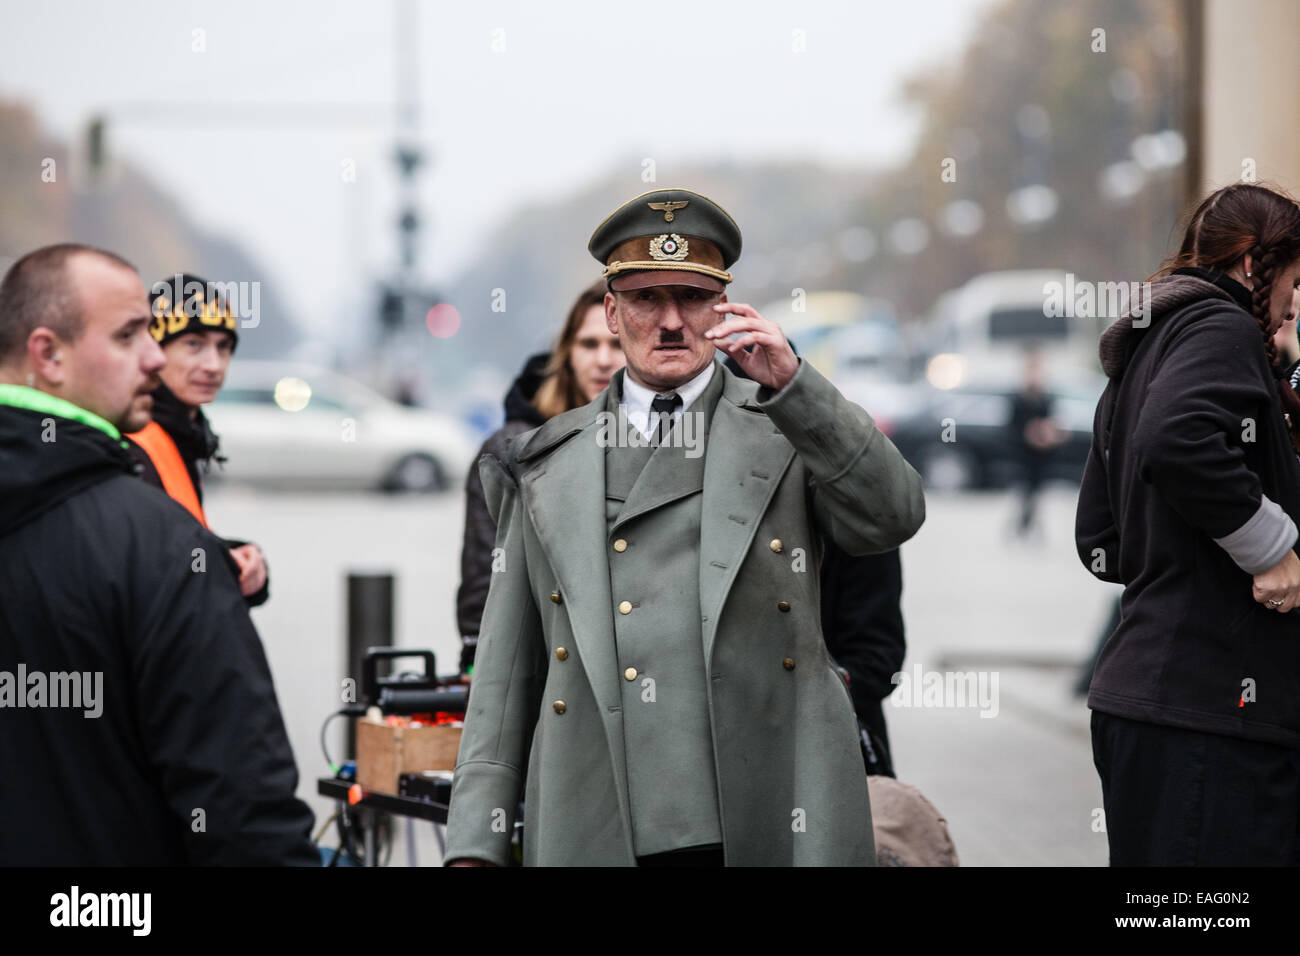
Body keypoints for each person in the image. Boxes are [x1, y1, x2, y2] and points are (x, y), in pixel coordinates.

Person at [444, 188, 926, 866]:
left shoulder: (790, 427)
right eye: (646, 299)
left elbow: (894, 514)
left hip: (761, 811)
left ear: (724, 306)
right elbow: (503, 676)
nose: (671, 322)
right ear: (611, 311)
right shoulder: (544, 464)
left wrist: (796, 384)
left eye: (693, 298)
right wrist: (475, 846)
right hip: (597, 813)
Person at [0, 244, 317, 865]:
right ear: (47, 353)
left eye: (224, 347)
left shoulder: (153, 495)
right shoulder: (150, 535)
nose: (158, 357)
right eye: (129, 336)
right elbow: (242, 808)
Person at [1076, 182, 1300, 865]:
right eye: (1295, 277)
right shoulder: (1221, 326)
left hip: (1148, 701)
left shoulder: (1150, 345)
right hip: (1212, 717)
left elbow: (1099, 537)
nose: (1296, 299)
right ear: (1255, 266)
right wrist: (1270, 550)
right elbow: (1177, 439)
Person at [455, 281, 622, 675]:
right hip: (541, 666)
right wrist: (479, 664)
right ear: (565, 352)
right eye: (587, 344)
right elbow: (484, 575)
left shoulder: (668, 437)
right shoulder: (510, 447)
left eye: (616, 344)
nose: (601, 359)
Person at [125, 274, 269, 606]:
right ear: (153, 350)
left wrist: (239, 557)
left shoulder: (184, 434)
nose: (214, 365)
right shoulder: (135, 441)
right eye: (194, 344)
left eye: (224, 347)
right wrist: (229, 564)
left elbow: (181, 547)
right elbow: (148, 572)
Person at [1007, 346, 1064, 541]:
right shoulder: (1019, 398)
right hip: (1024, 454)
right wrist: (1029, 434)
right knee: (1025, 492)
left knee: (1036, 494)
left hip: (1041, 455)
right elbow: (1012, 429)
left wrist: (1049, 435)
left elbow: (1052, 423)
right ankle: (1025, 526)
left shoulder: (1045, 397)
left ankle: (1029, 526)